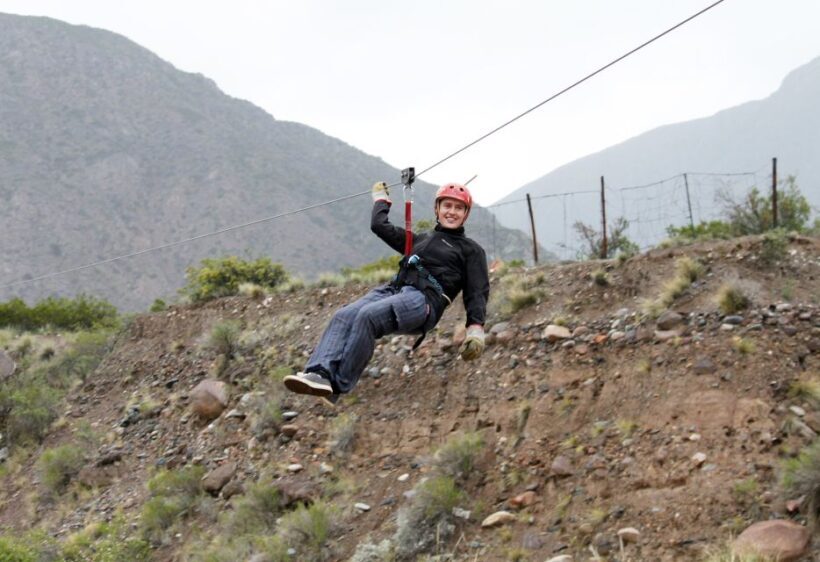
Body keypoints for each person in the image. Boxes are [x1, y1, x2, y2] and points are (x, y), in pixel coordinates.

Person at [283, 180, 490, 404]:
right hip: (394, 290)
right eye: (447, 206)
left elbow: (477, 292)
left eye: (459, 208)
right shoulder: (419, 239)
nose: (452, 212)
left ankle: (337, 385)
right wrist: (381, 200)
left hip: (424, 301)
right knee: (343, 316)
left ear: (466, 214)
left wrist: (476, 330)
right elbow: (379, 226)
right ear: (437, 209)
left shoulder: (471, 251)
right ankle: (319, 374)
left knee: (368, 316)